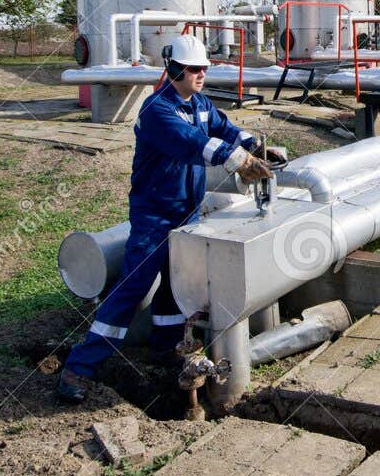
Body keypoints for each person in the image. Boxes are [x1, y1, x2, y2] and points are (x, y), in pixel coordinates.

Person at [55, 34, 279, 402]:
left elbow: (223, 128)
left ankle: (166, 347)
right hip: (155, 216)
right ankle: (79, 367)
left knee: (176, 287)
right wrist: (239, 159)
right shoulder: (157, 110)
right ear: (174, 70)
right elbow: (192, 142)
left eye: (203, 68)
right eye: (193, 69)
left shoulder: (200, 103)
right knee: (132, 288)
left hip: (186, 212)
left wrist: (254, 144)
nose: (201, 74)